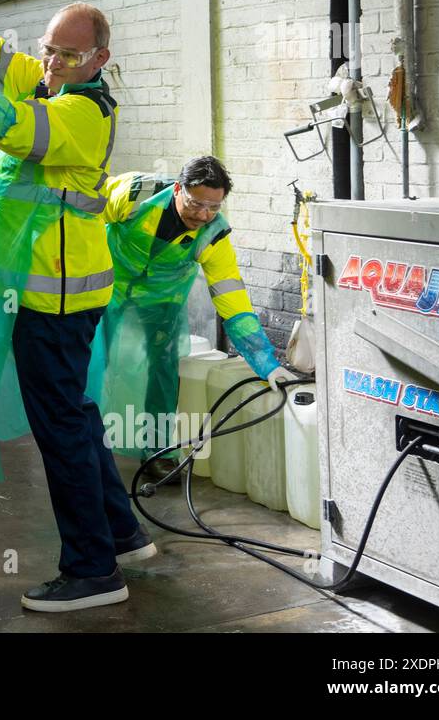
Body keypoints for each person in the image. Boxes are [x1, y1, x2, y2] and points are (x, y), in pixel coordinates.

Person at [0, 0, 155, 613]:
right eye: (50, 48)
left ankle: (93, 571)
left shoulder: (81, 113)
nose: (53, 63)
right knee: (75, 413)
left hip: (55, 295)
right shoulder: (49, 79)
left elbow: (5, 123)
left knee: (60, 426)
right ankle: (122, 536)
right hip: (54, 287)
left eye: (69, 55)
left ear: (100, 59)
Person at [88, 157, 298, 480]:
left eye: (213, 207)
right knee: (90, 361)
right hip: (105, 287)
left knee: (162, 370)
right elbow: (82, 214)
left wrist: (266, 363)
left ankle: (158, 452)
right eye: (197, 203)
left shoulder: (213, 234)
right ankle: (84, 444)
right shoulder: (134, 193)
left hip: (160, 304)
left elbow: (233, 301)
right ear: (178, 189)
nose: (203, 215)